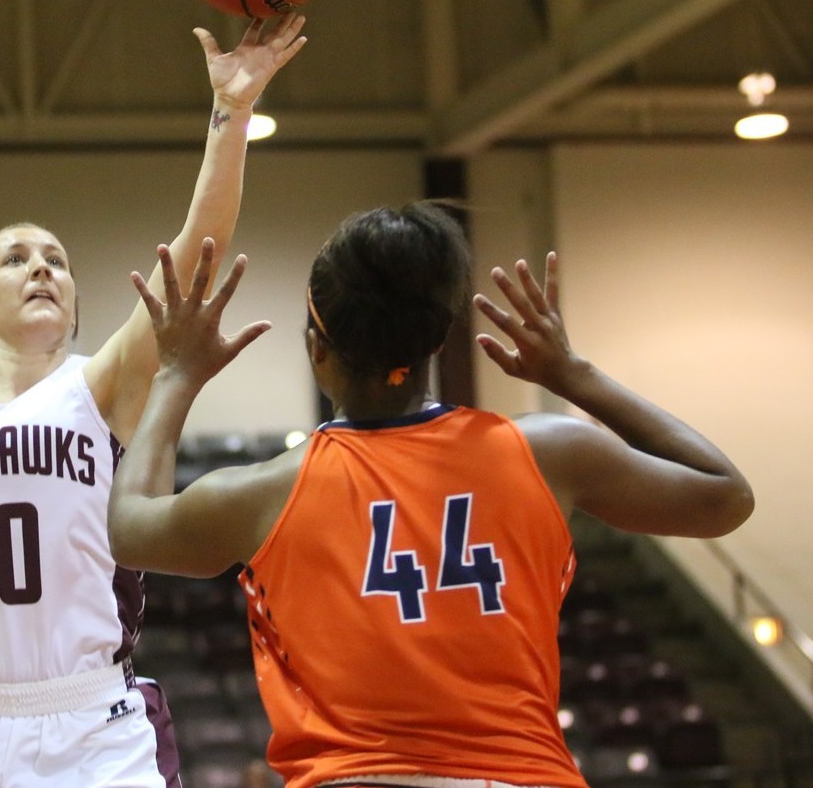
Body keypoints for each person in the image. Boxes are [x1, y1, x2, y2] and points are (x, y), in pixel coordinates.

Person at [0, 13, 309, 788]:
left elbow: (198, 243)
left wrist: (232, 113)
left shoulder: (100, 381)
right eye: (16, 260)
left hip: (93, 721)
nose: (42, 269)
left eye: (57, 261)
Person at [108, 203, 756, 788]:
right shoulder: (548, 451)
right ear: (437, 344)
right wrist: (573, 375)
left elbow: (131, 526)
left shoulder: (264, 492)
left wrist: (175, 377)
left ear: (318, 350)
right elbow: (724, 496)